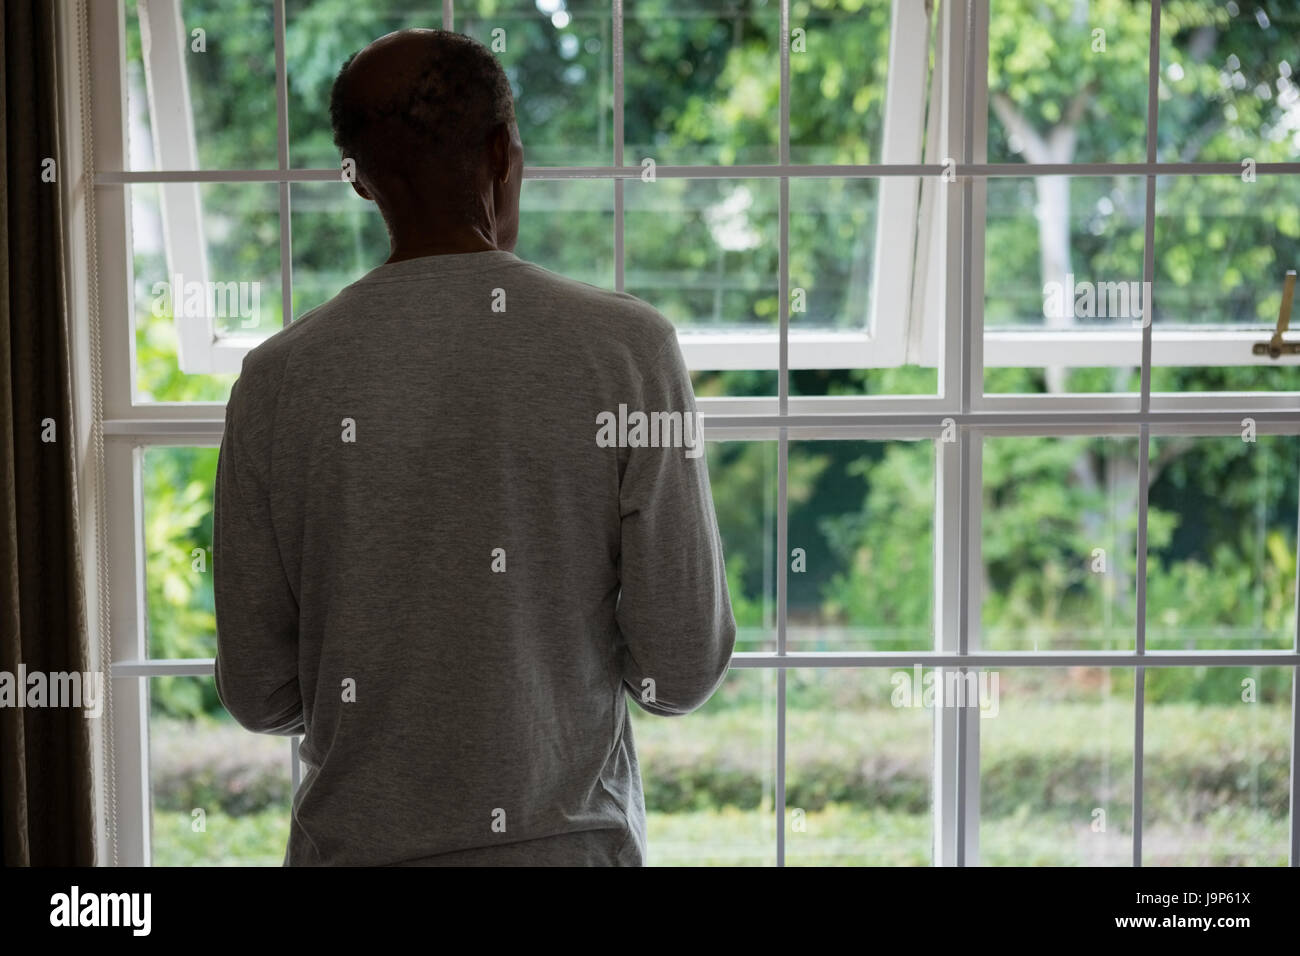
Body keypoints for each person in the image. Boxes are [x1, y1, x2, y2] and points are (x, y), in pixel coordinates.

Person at [211, 28, 736, 866]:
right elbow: (681, 667)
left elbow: (260, 692)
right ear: (502, 153)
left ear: (363, 183)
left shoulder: (277, 380)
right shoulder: (626, 350)